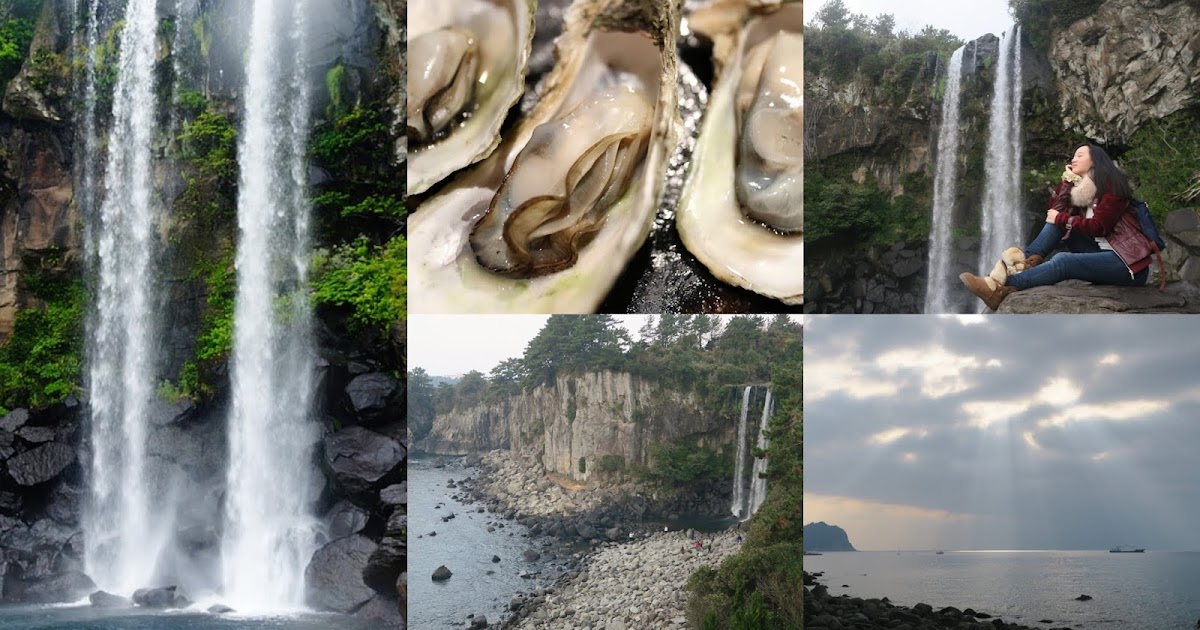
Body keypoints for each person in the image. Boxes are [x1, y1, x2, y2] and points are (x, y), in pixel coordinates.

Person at [960, 143, 1156, 310]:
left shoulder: (1112, 187)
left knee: (1064, 260)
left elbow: (1099, 227)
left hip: (1126, 265)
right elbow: (1054, 213)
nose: (1074, 159)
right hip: (1099, 254)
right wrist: (1067, 182)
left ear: (1095, 160)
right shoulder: (1083, 192)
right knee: (1057, 224)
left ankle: (1000, 286)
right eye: (1073, 156)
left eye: (1080, 155)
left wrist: (1062, 219)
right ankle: (1025, 264)